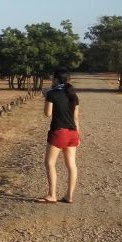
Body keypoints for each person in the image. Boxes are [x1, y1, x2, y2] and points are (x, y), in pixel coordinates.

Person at [39, 70, 80, 204]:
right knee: (71, 165)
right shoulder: (73, 95)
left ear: (56, 79)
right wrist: (78, 135)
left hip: (59, 132)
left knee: (50, 163)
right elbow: (76, 117)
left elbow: (47, 113)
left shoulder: (52, 93)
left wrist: (46, 97)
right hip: (73, 132)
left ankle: (52, 195)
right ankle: (69, 196)